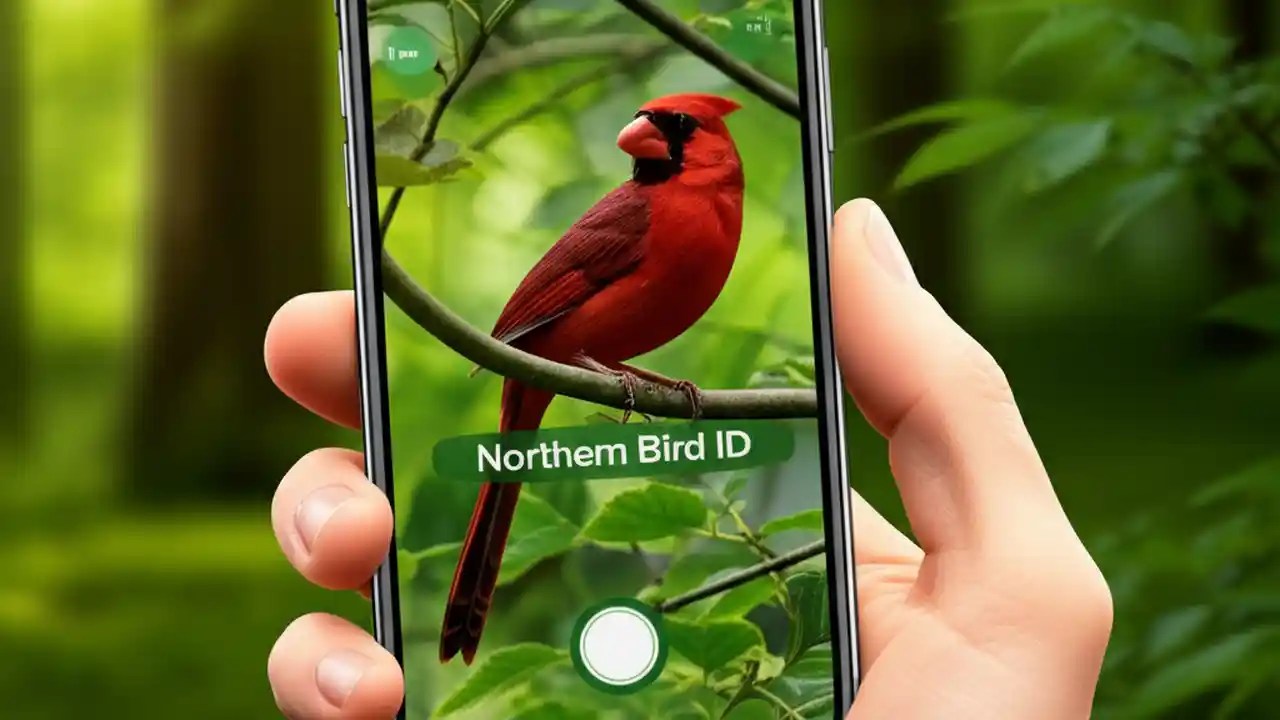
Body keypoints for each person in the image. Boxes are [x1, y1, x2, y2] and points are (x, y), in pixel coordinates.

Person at [264, 200, 1114, 719]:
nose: (646, 143)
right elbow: (566, 293)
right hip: (547, 347)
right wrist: (533, 356)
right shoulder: (635, 214)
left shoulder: (695, 222)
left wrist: (640, 384)